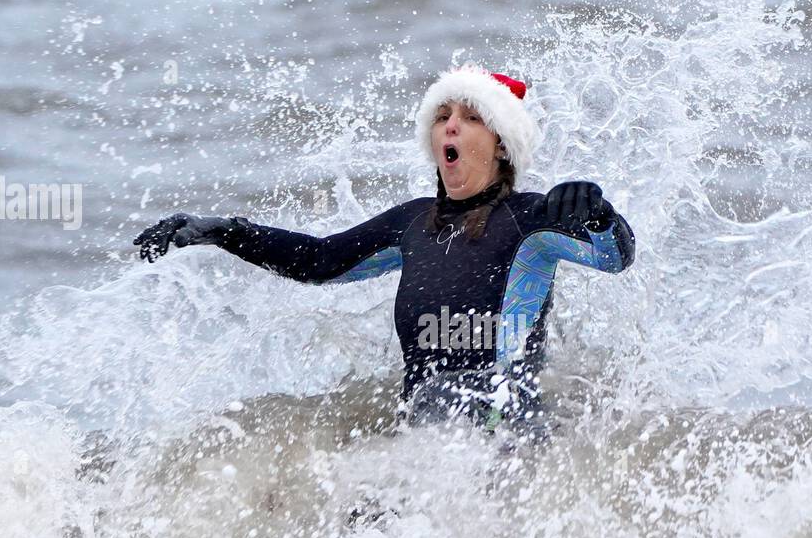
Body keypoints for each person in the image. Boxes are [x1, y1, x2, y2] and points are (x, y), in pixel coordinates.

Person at [134, 64, 635, 433]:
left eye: (470, 117)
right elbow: (318, 261)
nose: (451, 126)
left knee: (445, 404)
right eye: (442, 116)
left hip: (508, 420)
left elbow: (614, 257)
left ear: (502, 143)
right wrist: (224, 232)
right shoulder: (411, 225)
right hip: (427, 429)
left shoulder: (533, 218)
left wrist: (599, 216)